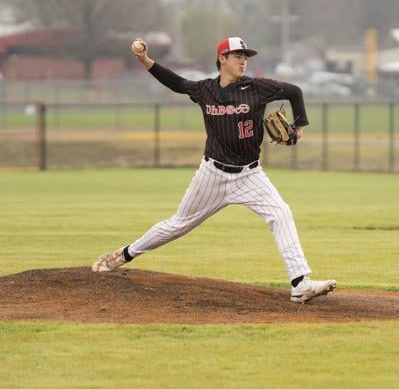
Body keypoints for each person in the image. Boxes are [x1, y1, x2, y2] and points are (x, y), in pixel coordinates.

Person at [92, 36, 336, 303]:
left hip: (250, 175)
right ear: (222, 59)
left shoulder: (257, 88)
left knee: (281, 214)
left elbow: (294, 92)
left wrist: (299, 127)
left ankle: (300, 283)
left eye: (245, 56)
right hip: (212, 175)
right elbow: (177, 84)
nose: (243, 60)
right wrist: (144, 60)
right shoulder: (205, 90)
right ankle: (123, 255)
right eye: (237, 55)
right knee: (177, 225)